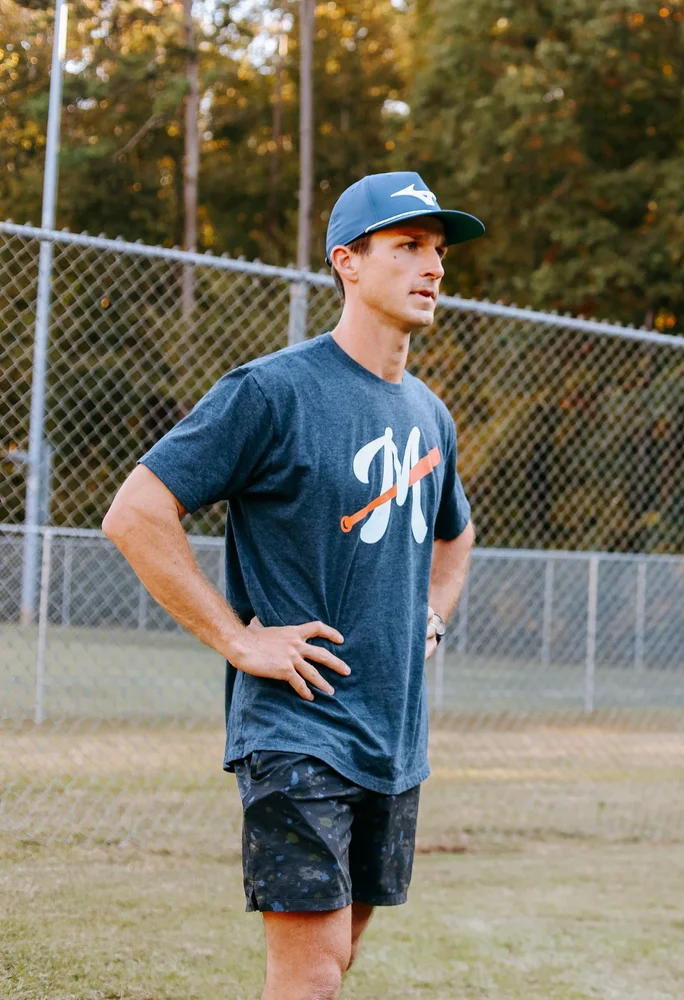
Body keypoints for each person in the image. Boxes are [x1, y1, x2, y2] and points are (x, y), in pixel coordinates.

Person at [103, 171, 481, 1000]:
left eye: (439, 251)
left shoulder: (429, 415)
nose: (434, 267)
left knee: (335, 960)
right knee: (309, 976)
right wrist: (239, 639)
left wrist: (433, 617)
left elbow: (457, 534)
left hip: (395, 735)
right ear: (347, 262)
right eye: (409, 247)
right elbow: (136, 514)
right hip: (296, 731)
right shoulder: (272, 391)